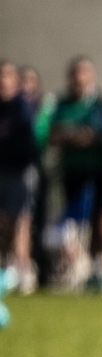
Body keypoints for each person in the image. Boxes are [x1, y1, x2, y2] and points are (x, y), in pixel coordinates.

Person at [45, 57, 102, 289]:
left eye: (83, 73)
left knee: (101, 218)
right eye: (75, 73)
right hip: (72, 172)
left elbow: (101, 134)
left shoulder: (99, 104)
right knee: (71, 223)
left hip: (96, 172)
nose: (79, 78)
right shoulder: (62, 104)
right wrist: (72, 136)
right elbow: (52, 134)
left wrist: (84, 136)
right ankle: (76, 266)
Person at [0, 60, 40, 293]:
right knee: (4, 224)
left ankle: (23, 271)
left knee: (21, 221)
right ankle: (7, 270)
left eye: (6, 76)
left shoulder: (22, 106)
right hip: (2, 171)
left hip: (21, 172)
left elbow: (24, 141)